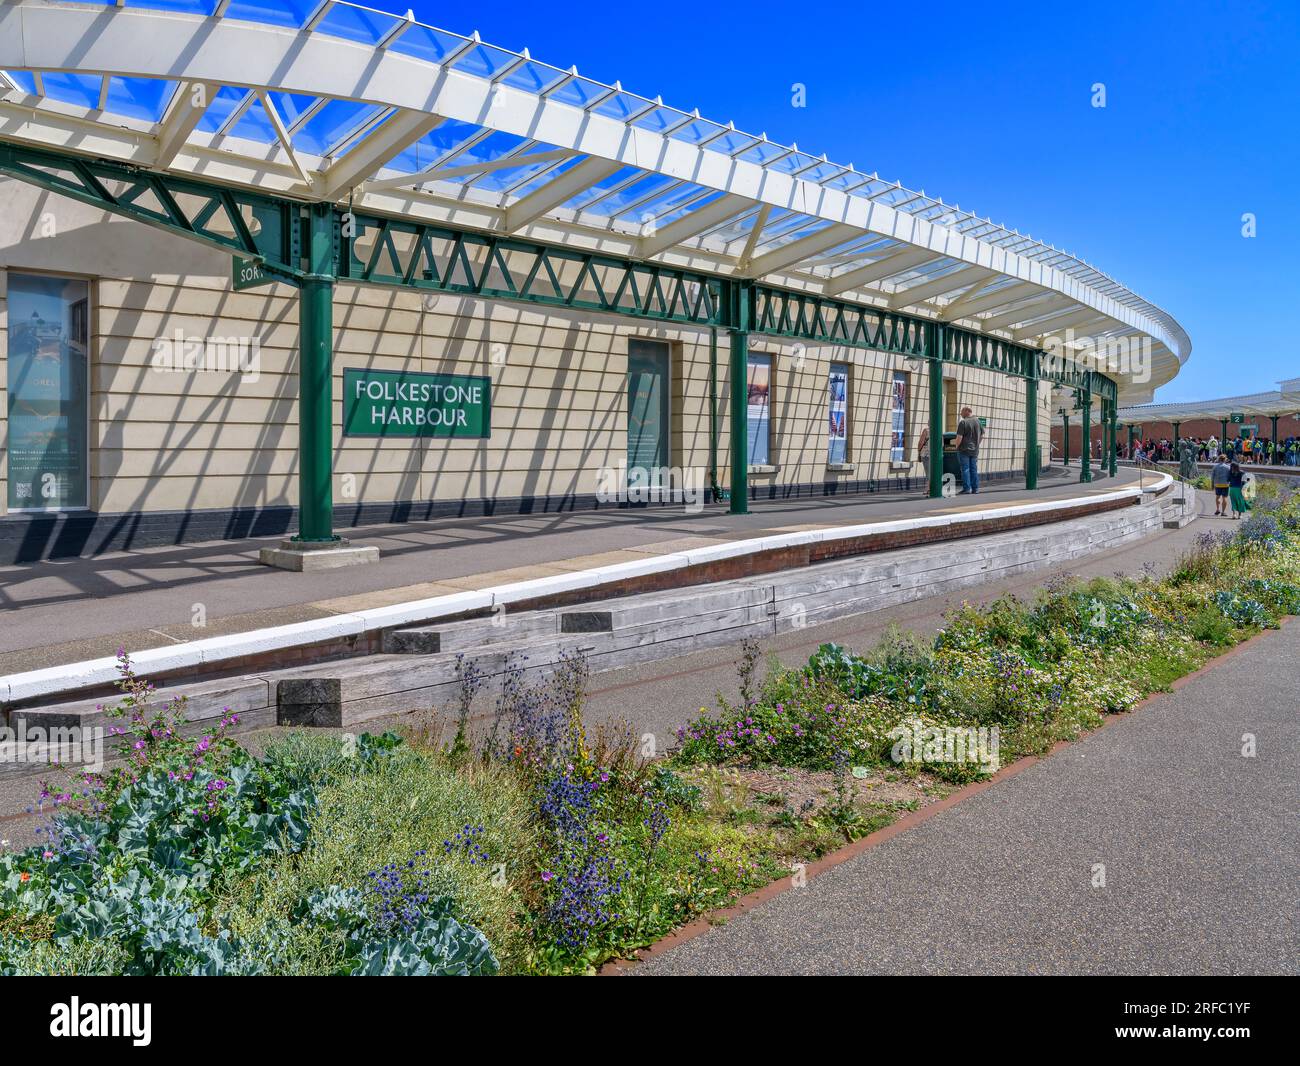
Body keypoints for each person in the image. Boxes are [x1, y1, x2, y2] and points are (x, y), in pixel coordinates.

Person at [954, 406, 983, 494]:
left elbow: (959, 437)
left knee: (965, 469)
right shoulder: (978, 422)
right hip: (975, 450)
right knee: (973, 469)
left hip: (964, 449)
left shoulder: (963, 422)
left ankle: (967, 489)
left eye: (962, 411)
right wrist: (977, 445)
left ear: (967, 411)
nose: (961, 414)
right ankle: (975, 488)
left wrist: (956, 446)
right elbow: (982, 436)